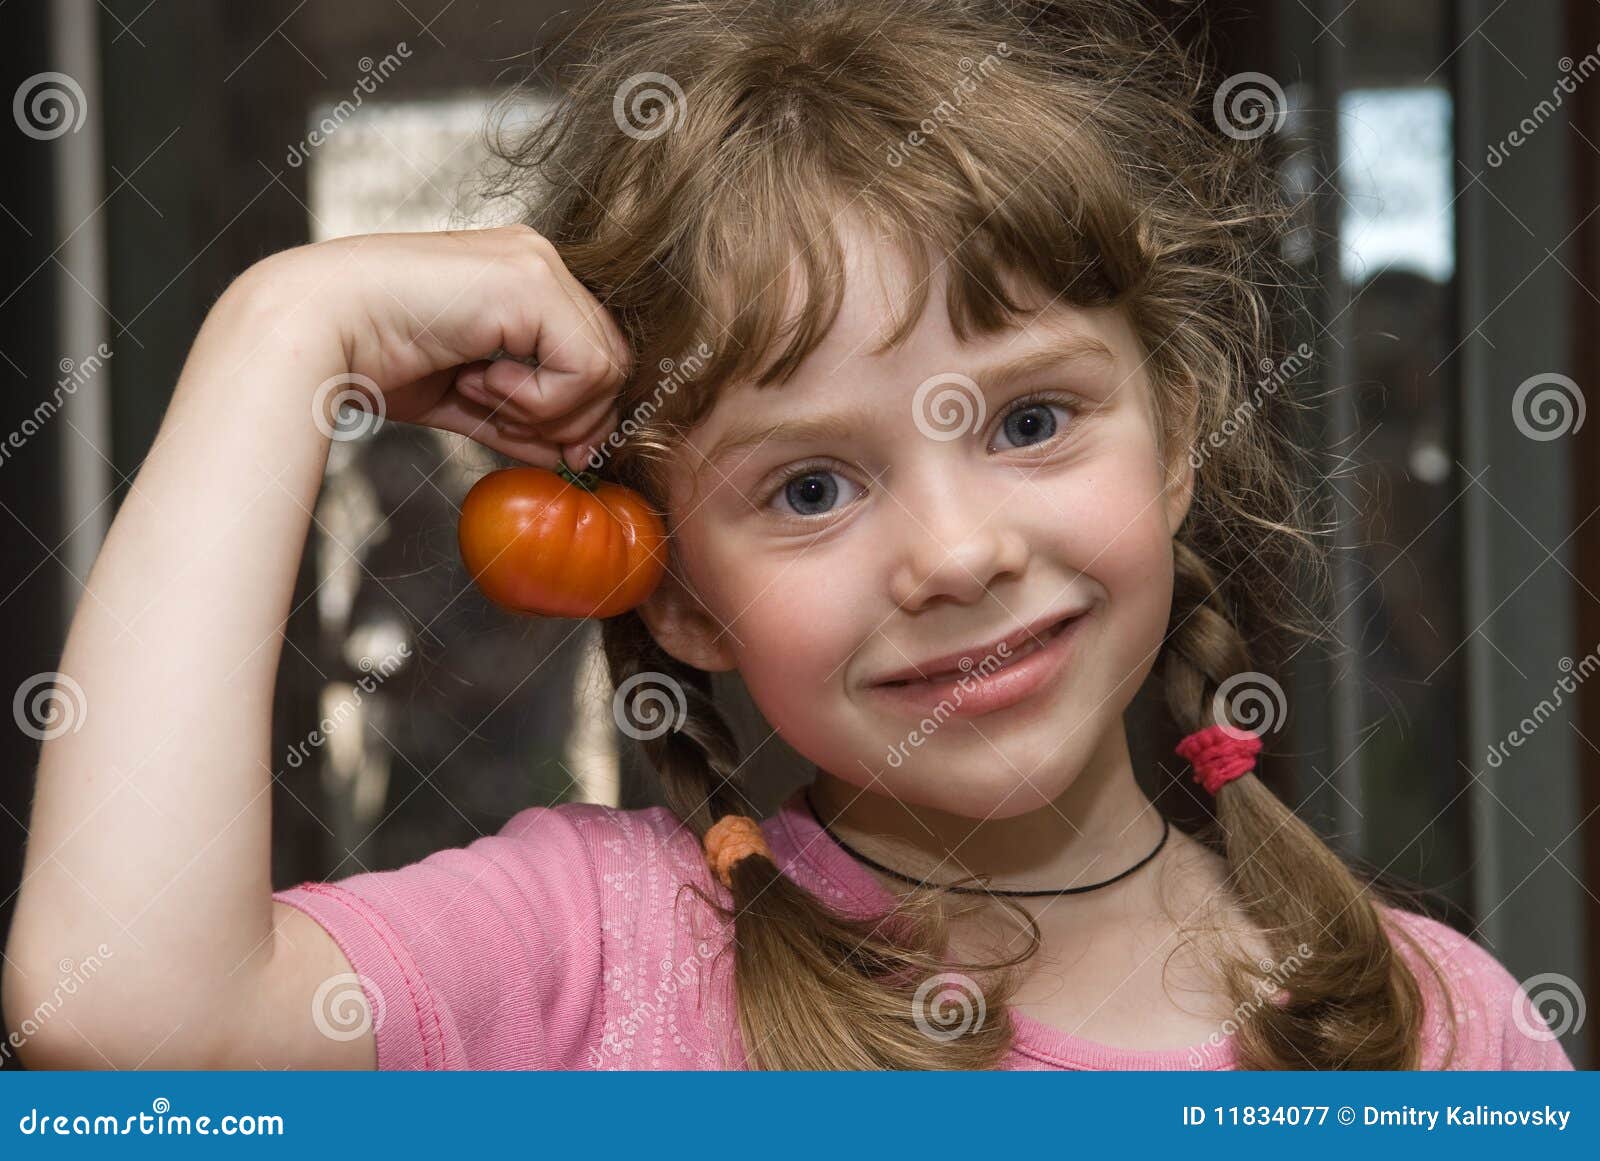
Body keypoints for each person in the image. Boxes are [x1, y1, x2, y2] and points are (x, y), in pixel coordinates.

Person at [5, 0, 1575, 1071]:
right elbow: (128, 1010)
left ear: (1173, 440)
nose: (955, 553)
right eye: (810, 488)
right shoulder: (601, 953)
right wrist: (288, 328)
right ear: (681, 591)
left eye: (1030, 422)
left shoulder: (1446, 1028)